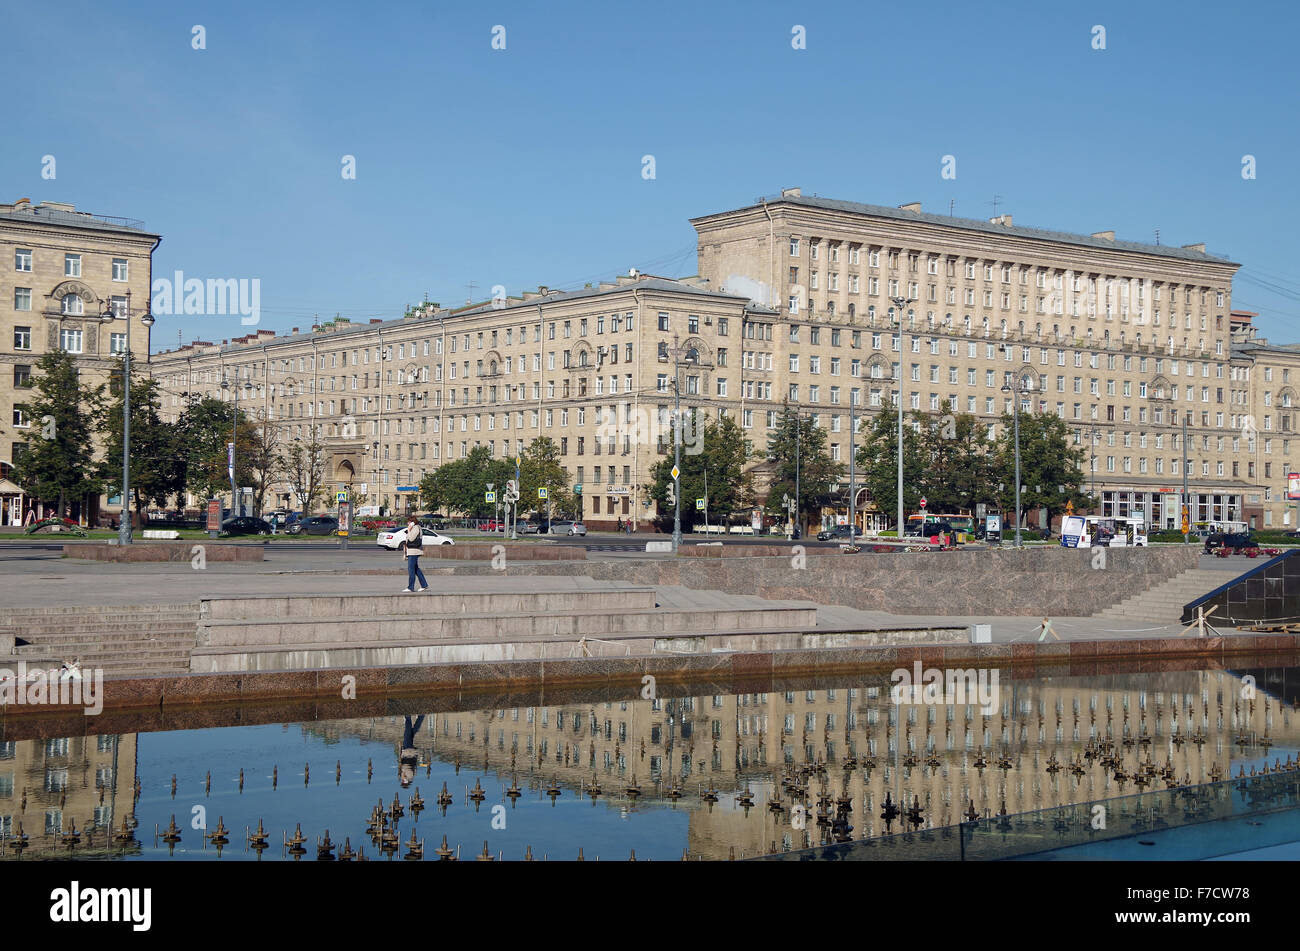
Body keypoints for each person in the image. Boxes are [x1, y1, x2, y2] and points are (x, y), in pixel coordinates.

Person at [401, 517, 428, 592]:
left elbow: (411, 538)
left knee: (411, 569)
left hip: (414, 551)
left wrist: (409, 529)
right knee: (416, 569)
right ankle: (424, 585)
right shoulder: (414, 528)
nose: (407, 523)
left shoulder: (416, 528)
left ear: (413, 522)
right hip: (411, 551)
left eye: (409, 522)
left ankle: (410, 587)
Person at [398, 714, 425, 787]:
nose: (402, 780)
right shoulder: (410, 775)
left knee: (412, 732)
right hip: (409, 751)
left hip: (408, 752)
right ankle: (408, 717)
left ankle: (421, 717)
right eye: (403, 781)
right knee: (407, 732)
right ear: (406, 782)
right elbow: (407, 767)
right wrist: (403, 774)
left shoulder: (411, 775)